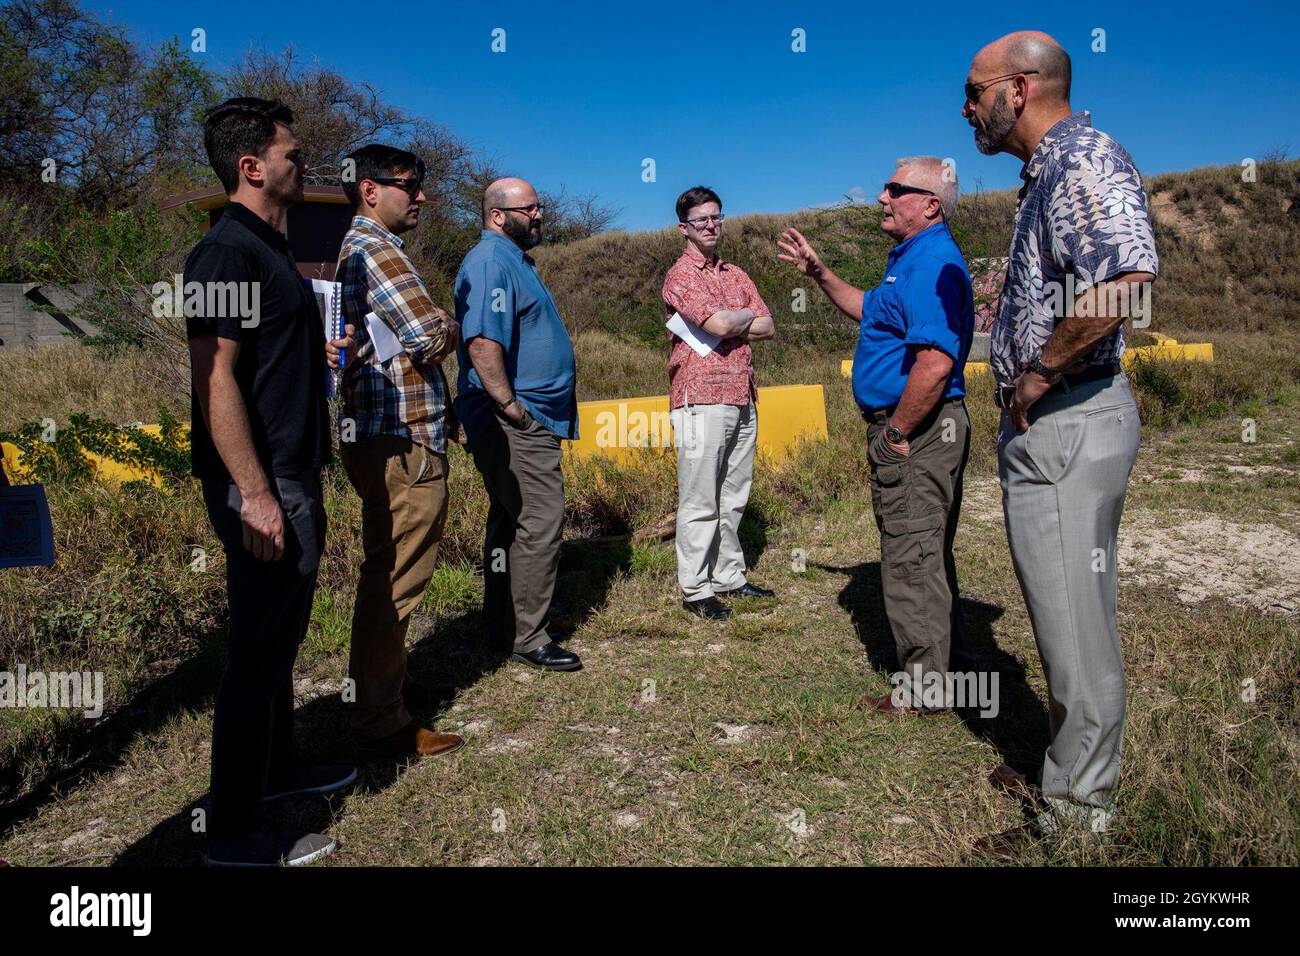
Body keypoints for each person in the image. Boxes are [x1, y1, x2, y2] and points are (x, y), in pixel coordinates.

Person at [961, 31, 1158, 855]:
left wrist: (1038, 371)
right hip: (1058, 424)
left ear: (1022, 85)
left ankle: (1079, 816)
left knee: (1076, 625)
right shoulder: (1046, 172)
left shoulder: (1081, 157)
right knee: (1064, 616)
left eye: (974, 92)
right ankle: (1066, 765)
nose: (966, 109)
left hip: (1070, 416)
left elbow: (1125, 279)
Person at [186, 97, 354, 867]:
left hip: (290, 472)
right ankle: (233, 832)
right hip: (263, 483)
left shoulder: (269, 250)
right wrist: (252, 492)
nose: (303, 161)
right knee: (255, 654)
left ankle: (279, 772)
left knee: (280, 639)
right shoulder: (225, 253)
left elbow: (259, 363)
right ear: (251, 166)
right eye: (292, 151)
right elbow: (213, 376)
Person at [778, 157, 974, 713]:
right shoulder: (910, 259)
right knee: (926, 547)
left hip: (918, 431)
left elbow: (935, 363)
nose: (881, 197)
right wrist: (819, 271)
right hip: (921, 428)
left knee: (910, 554)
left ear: (930, 205)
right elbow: (869, 310)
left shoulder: (933, 260)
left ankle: (924, 690)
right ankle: (947, 664)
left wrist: (897, 431)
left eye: (895, 189)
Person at [328, 144, 464, 758]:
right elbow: (429, 335)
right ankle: (380, 719)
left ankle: (378, 698)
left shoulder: (356, 248)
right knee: (396, 579)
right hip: (404, 437)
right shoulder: (378, 249)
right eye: (408, 185)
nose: (421, 197)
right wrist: (449, 323)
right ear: (369, 189)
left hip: (385, 434)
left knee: (387, 570)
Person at [453, 178, 582, 672]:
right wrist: (510, 406)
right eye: (532, 208)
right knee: (540, 521)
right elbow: (482, 342)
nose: (541, 214)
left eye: (541, 205)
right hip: (512, 416)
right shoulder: (490, 263)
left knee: (511, 521)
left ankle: (502, 625)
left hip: (525, 414)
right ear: (498, 215)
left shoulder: (512, 260)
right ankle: (529, 637)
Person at [661, 186, 776, 621]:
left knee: (733, 494)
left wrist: (737, 321)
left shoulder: (736, 273)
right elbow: (721, 321)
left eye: (716, 217)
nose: (711, 225)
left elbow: (768, 325)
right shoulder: (681, 275)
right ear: (683, 229)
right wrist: (739, 318)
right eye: (701, 220)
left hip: (742, 392)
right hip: (701, 396)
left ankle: (729, 576)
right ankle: (695, 587)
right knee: (699, 497)